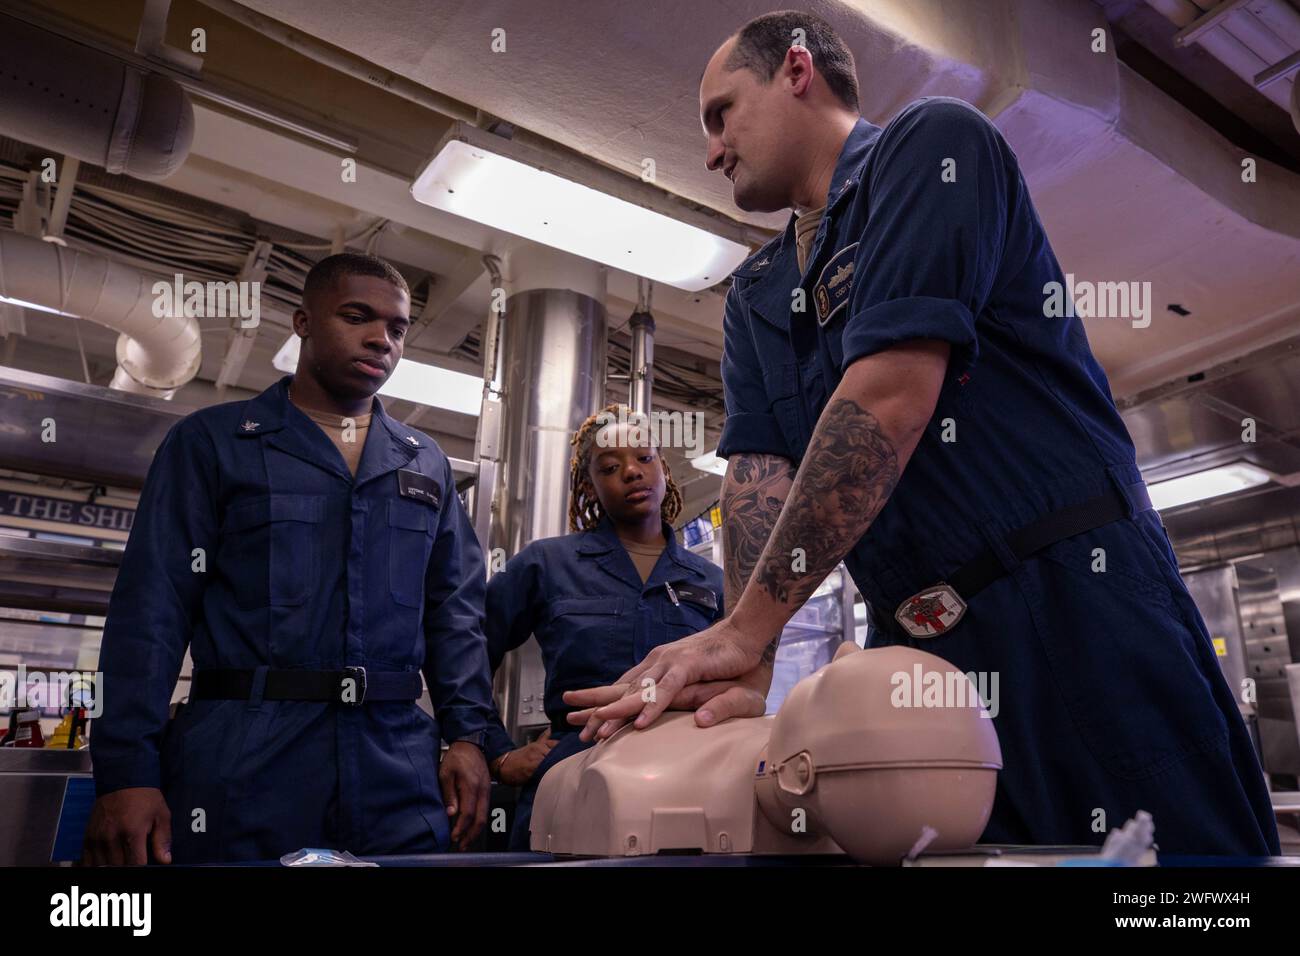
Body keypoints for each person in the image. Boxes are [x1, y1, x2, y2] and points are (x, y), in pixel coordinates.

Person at [565, 11, 1280, 857]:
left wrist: (747, 631)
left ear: (797, 70)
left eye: (722, 113)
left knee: (1183, 887)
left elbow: (893, 394)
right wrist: (744, 655)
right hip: (915, 647)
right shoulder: (755, 295)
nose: (712, 150)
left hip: (1075, 596)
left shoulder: (932, 147)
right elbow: (762, 482)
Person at [84, 253, 495, 864]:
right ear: (303, 322)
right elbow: (153, 610)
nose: (381, 338)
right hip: (244, 760)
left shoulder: (423, 461)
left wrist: (468, 736)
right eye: (356, 316)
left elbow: (454, 612)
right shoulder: (215, 444)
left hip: (396, 765)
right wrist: (126, 772)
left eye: (397, 327)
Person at [483, 405, 724, 849]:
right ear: (589, 487)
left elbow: (739, 677)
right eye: (610, 467)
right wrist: (497, 752)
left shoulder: (709, 581)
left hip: (690, 775)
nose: (632, 472)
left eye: (644, 459)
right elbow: (468, 653)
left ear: (664, 470)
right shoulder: (546, 564)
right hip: (573, 770)